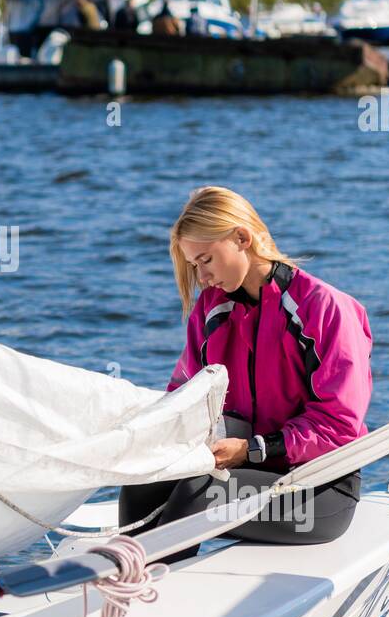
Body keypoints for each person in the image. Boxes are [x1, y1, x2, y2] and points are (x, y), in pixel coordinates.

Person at [118, 185, 373, 561]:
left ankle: (148, 594)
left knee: (200, 494)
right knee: (141, 487)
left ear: (241, 238)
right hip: (247, 474)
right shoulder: (211, 310)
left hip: (319, 491)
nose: (202, 277)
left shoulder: (324, 308)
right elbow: (183, 394)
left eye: (205, 260)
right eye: (193, 266)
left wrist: (251, 451)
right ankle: (126, 586)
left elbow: (339, 424)